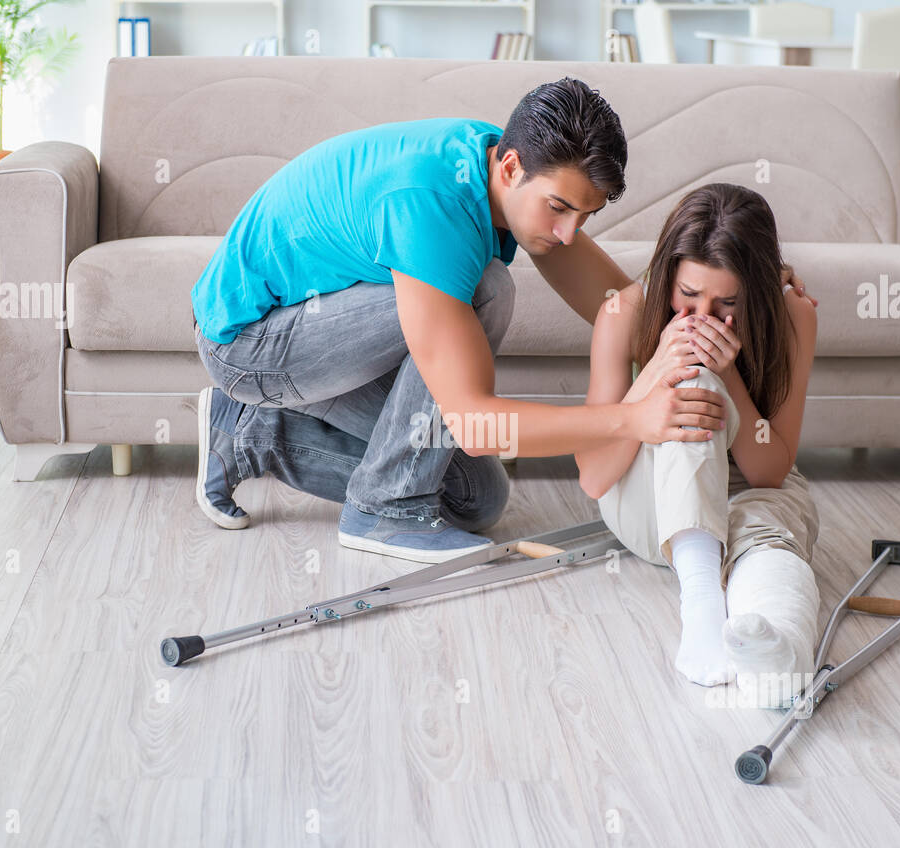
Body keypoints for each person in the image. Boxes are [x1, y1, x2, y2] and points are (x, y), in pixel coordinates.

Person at [191, 77, 694, 564]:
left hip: (315, 337)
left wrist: (726, 305)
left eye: (584, 217)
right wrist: (630, 420)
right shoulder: (434, 204)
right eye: (559, 208)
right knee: (486, 288)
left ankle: (248, 432)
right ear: (512, 167)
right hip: (248, 345)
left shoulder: (499, 167)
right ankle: (383, 508)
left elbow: (619, 305)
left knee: (475, 498)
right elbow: (473, 423)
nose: (568, 234)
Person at [576, 183, 823, 709]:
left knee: (766, 536)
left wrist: (729, 374)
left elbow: (771, 471)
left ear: (754, 293)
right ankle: (703, 605)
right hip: (649, 502)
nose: (701, 317)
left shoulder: (792, 315)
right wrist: (658, 376)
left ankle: (774, 648)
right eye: (687, 296)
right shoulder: (623, 313)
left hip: (748, 495)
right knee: (693, 386)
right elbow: (595, 477)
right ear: (668, 276)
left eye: (726, 303)